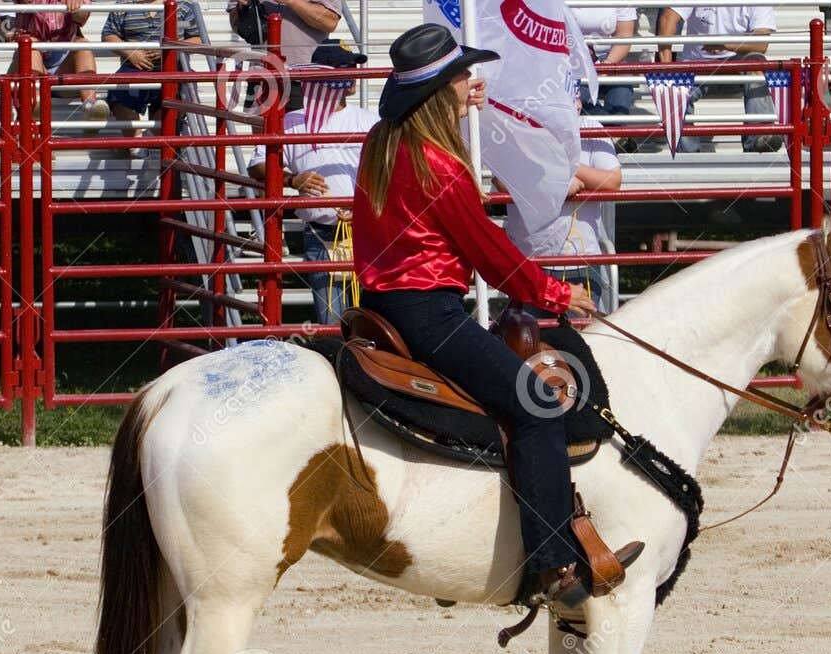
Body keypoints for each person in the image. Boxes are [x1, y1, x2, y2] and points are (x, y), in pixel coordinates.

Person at [352, 24, 642, 608]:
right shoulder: (443, 165)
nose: (472, 83)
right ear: (437, 93)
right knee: (535, 407)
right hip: (429, 314)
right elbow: (488, 253)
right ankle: (555, 564)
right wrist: (557, 295)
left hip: (381, 306)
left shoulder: (384, 143)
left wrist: (458, 99)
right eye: (462, 77)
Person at [248, 42, 378, 325]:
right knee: (332, 320)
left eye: (352, 68)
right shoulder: (291, 121)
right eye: (345, 69)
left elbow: (391, 171)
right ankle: (342, 365)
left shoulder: (370, 121)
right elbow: (257, 166)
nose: (353, 75)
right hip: (323, 232)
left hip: (368, 231)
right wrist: (292, 179)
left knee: (372, 319)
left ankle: (363, 366)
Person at [504, 88, 622, 307]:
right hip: (529, 260)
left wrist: (565, 163)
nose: (575, 105)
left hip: (579, 260)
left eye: (574, 98)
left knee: (578, 338)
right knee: (529, 337)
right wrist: (557, 184)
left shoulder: (590, 127)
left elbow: (612, 182)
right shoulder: (521, 127)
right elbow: (502, 180)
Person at [655, 5, 782, 153]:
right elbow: (667, 18)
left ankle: (759, 138)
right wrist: (667, 68)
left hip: (738, 65)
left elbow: (761, 44)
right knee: (674, 89)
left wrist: (726, 45)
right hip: (698, 66)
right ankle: (688, 154)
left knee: (756, 62)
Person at [102, 0, 203, 153]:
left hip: (173, 69)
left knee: (180, 95)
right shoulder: (124, 4)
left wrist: (169, 50)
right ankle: (135, 142)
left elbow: (198, 39)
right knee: (119, 93)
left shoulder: (184, 5)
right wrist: (130, 52)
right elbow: (109, 35)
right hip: (134, 67)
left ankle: (149, 139)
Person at [14, 0, 109, 126]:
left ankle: (90, 106)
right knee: (31, 47)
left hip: (64, 69)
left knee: (82, 45)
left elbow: (81, 19)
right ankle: (35, 103)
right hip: (31, 60)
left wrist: (78, 7)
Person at [573, 7, 641, 135]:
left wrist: (606, 66)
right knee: (580, 99)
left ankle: (614, 135)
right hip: (574, 64)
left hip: (612, 60)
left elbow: (624, 36)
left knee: (622, 92)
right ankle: (616, 134)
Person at [227, 0, 342, 66]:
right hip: (262, 76)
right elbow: (235, 26)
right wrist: (243, 8)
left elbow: (330, 22)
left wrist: (291, 1)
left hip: (305, 76)